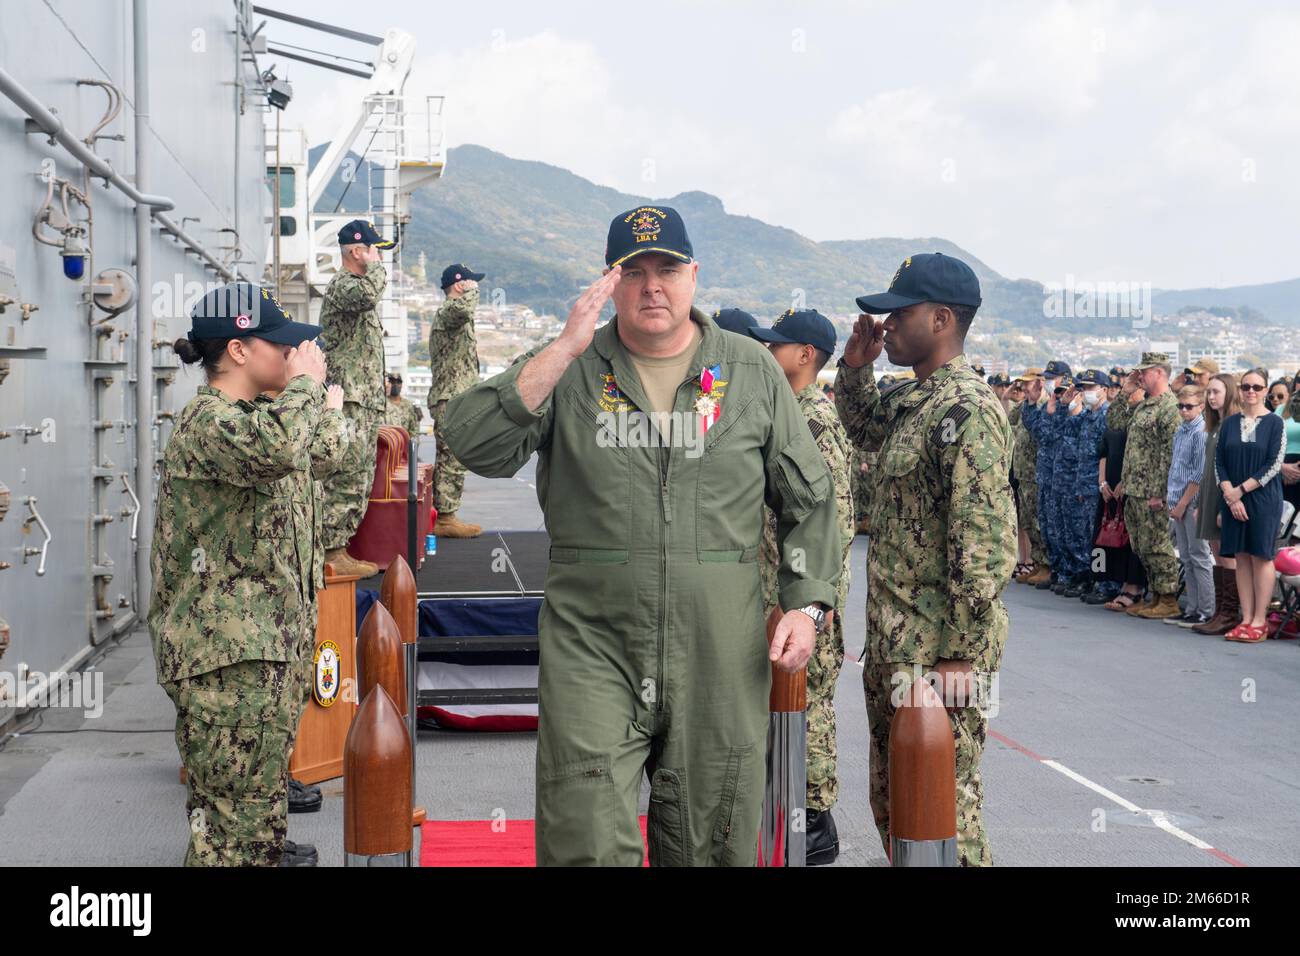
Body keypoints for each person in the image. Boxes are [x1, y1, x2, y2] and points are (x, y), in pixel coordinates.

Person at [440, 205, 841, 866]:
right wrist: (564, 348)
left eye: (668, 268)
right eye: (635, 271)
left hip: (719, 651)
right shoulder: (569, 370)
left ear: (693, 276)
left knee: (712, 838)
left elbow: (811, 499)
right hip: (594, 649)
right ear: (611, 282)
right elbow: (471, 440)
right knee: (585, 836)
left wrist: (806, 602)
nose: (653, 285)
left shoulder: (748, 372)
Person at [150, 283, 346, 866]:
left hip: (265, 650)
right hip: (226, 660)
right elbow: (283, 447)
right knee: (233, 836)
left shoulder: (258, 420)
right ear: (238, 350)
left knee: (252, 818)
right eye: (279, 345)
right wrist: (309, 386)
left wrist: (326, 410)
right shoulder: (208, 423)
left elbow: (325, 457)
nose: (293, 356)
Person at [834, 252, 1015, 866]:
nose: (886, 327)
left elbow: (984, 547)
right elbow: (859, 422)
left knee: (947, 812)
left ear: (941, 319)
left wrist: (960, 654)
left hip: (942, 652)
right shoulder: (913, 401)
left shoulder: (968, 411)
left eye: (898, 314)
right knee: (897, 805)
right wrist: (855, 367)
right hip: (894, 639)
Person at [749, 308, 853, 865]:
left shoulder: (814, 420)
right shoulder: (788, 412)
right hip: (780, 587)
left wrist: (818, 598)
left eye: (778, 345)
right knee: (789, 702)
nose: (768, 351)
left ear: (806, 355)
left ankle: (813, 821)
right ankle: (792, 812)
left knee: (808, 704)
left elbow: (832, 517)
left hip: (805, 600)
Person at [318, 219, 393, 578]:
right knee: (346, 473)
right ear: (356, 251)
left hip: (363, 398)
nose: (379, 257)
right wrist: (377, 269)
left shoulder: (356, 287)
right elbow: (368, 295)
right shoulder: (344, 286)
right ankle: (331, 553)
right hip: (348, 398)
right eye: (374, 250)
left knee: (359, 474)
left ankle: (339, 549)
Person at [1217, 367, 1287, 643]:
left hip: (1262, 497)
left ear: (1266, 390)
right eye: (1246, 386)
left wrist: (1241, 491)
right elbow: (1218, 461)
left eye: (1257, 387)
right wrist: (1229, 493)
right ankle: (1245, 618)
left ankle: (1260, 620)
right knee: (1242, 557)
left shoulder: (1274, 423)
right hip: (1231, 496)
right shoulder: (1230, 423)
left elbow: (1274, 464)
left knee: (1261, 555)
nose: (1250, 392)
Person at [1116, 353, 1182, 619]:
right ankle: (1155, 595)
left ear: (1159, 373)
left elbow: (1170, 454)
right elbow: (1115, 424)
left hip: (1152, 491)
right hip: (1134, 487)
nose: (1139, 376)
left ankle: (1167, 598)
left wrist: (1161, 492)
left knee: (1158, 544)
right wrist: (1126, 392)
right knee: (1142, 546)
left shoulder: (1169, 407)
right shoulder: (1144, 405)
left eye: (1144, 372)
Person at [427, 263, 487, 538]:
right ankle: (446, 518)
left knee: (453, 456)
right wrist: (471, 292)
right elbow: (463, 309)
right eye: (472, 283)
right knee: (451, 456)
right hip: (450, 398)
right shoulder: (449, 312)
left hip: (456, 396)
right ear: (460, 285)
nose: (477, 287)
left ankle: (446, 514)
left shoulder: (451, 316)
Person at [1193, 374, 1242, 634]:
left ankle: (1229, 613)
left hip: (1225, 496)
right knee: (1216, 553)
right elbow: (1206, 469)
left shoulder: (1234, 425)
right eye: (1208, 392)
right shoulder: (1214, 426)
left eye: (1216, 392)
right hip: (1210, 494)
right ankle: (1219, 611)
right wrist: (1202, 502)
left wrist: (1224, 506)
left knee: (1227, 556)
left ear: (1229, 393)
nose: (1211, 397)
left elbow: (1233, 469)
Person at [1164, 385, 1214, 626]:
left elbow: (1198, 474)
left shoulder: (1201, 432)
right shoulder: (1181, 430)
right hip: (1177, 501)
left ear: (1201, 407)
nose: (1183, 411)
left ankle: (1206, 609)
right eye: (1180, 406)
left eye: (1189, 406)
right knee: (1186, 556)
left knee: (1199, 555)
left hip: (1191, 502)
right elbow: (1176, 468)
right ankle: (1192, 607)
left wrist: (1183, 503)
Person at [1021, 360, 1072, 590]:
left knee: (1066, 529)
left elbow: (1052, 435)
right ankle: (1048, 566)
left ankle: (1067, 573)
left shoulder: (1069, 406)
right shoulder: (1050, 404)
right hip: (1047, 474)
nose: (1048, 382)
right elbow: (1037, 431)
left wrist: (1052, 412)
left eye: (1053, 378)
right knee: (1046, 525)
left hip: (1064, 478)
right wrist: (1032, 404)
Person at [1068, 370, 1110, 600]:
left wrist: (1103, 482)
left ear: (1104, 390)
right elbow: (1067, 429)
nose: (1087, 393)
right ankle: (1092, 579)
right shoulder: (1087, 416)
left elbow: (1108, 453)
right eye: (1084, 388)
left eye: (1092, 388)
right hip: (1083, 486)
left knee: (1099, 539)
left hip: (1098, 486)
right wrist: (1067, 405)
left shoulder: (1107, 415)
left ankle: (1104, 583)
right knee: (1087, 536)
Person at [1008, 371, 1048, 583]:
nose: (1023, 388)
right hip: (1023, 474)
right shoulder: (1026, 406)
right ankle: (1037, 563)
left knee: (1038, 521)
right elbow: (1007, 419)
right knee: (1028, 521)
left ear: (1040, 384)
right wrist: (1009, 396)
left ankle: (1041, 563)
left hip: (1037, 473)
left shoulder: (1046, 405)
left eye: (1027, 384)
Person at [382, 372, 422, 438]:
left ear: (401, 385)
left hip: (403, 443)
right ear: (388, 384)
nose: (395, 385)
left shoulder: (409, 405)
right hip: (387, 443)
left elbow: (414, 430)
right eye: (392, 382)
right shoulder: (382, 404)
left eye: (398, 383)